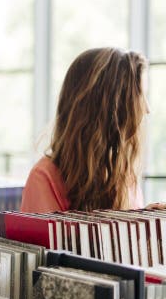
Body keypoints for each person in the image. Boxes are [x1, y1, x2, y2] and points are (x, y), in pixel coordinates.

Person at [21, 47, 159, 213]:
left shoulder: (124, 174)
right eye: (139, 96)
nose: (147, 108)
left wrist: (147, 223)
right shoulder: (44, 178)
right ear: (110, 106)